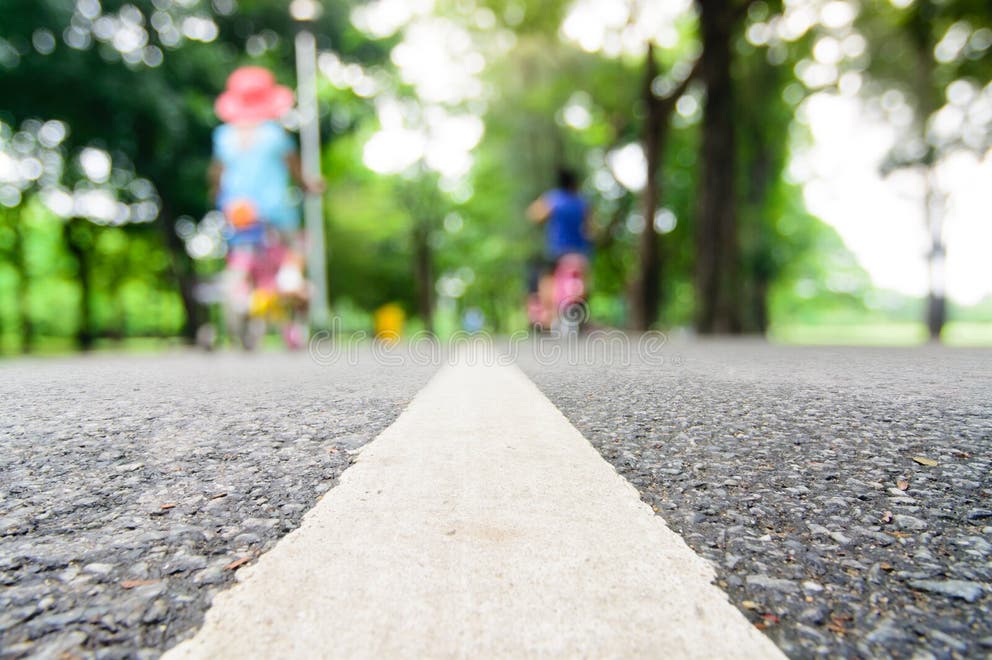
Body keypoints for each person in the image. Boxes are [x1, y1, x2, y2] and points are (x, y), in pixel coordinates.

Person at [208, 66, 320, 349]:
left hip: (240, 214)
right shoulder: (274, 134)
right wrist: (310, 185)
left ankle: (242, 297)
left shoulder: (223, 136)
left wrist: (217, 196)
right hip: (277, 213)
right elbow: (296, 171)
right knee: (293, 254)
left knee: (244, 260)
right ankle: (292, 291)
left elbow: (216, 175)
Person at [526, 168, 592, 329]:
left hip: (558, 251)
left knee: (547, 280)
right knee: (585, 281)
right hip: (580, 252)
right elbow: (590, 228)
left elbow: (533, 215)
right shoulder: (582, 202)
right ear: (574, 184)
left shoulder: (554, 199)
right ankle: (580, 315)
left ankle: (549, 314)